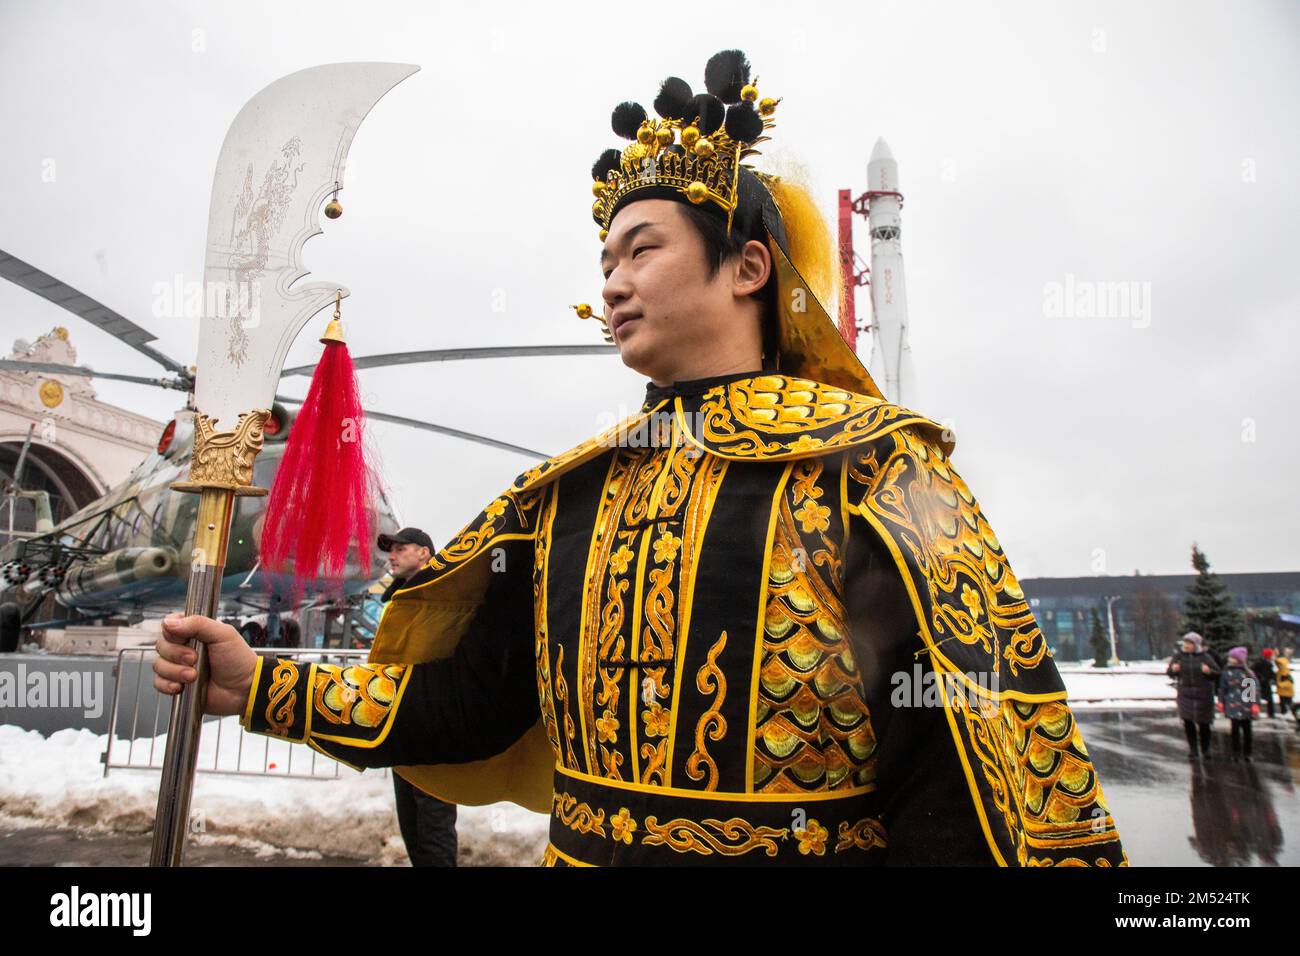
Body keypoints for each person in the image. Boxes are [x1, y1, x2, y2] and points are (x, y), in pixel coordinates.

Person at [153, 48, 1126, 867]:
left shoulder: (873, 474)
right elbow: (474, 703)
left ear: (748, 266)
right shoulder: (566, 498)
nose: (611, 283)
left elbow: (975, 792)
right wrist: (264, 684)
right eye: (604, 261)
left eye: (641, 250)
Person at [377, 527, 460, 867]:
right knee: (411, 823)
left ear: (424, 552)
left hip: (432, 725)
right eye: (390, 550)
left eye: (400, 549)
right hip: (403, 724)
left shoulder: (442, 591)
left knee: (434, 823)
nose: (391, 556)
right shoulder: (398, 599)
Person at [1167, 632, 1219, 760]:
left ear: (1196, 645)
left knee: (1204, 723)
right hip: (1186, 694)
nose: (1186, 645)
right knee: (1188, 722)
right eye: (1185, 643)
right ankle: (1193, 750)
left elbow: (1217, 673)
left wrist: (1209, 672)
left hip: (1203, 694)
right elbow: (1169, 673)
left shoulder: (1205, 657)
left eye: (1189, 643)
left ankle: (1205, 749)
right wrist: (1173, 670)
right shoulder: (1179, 657)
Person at [1218, 647, 1258, 761]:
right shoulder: (1227, 672)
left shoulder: (1247, 673)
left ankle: (1248, 753)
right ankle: (1235, 752)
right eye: (1230, 657)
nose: (1230, 659)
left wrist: (1254, 704)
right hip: (1232, 705)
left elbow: (1253, 690)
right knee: (1234, 730)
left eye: (1232, 657)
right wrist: (1221, 701)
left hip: (1246, 706)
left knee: (1247, 730)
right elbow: (1223, 688)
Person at [1252, 647, 1277, 718]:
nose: (1273, 657)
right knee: (1260, 699)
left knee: (1261, 699)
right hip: (1261, 684)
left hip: (1263, 683)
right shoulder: (1262, 663)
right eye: (1272, 655)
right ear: (1269, 656)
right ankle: (1269, 714)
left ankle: (1268, 713)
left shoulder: (1267, 663)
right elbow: (1254, 672)